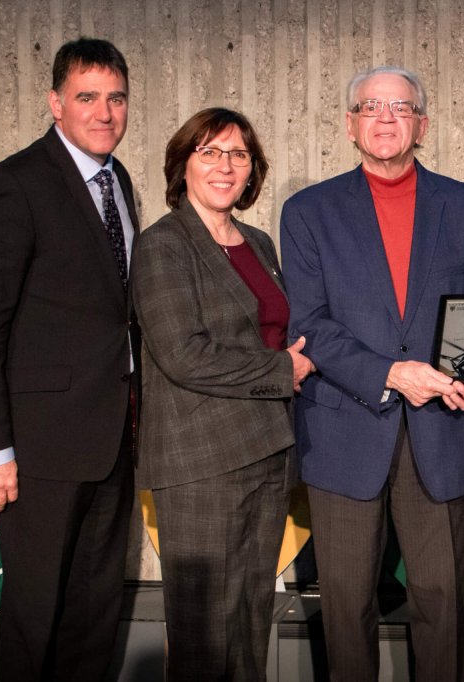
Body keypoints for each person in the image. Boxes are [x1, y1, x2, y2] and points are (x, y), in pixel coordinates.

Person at [280, 65, 464, 682]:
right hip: (343, 430)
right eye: (370, 107)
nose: (384, 118)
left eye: (399, 108)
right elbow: (310, 324)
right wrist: (392, 373)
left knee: (442, 602)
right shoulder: (307, 211)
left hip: (442, 428)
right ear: (350, 125)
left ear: (422, 125)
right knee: (348, 606)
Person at [0, 38, 137, 681]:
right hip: (35, 453)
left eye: (116, 98)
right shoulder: (12, 186)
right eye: (88, 97)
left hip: (113, 441)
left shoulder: (119, 182)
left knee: (94, 615)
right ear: (56, 103)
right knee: (36, 619)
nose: (104, 112)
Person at [130, 107, 313, 681]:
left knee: (249, 619)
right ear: (183, 165)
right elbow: (185, 356)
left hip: (267, 449)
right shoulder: (163, 245)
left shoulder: (257, 241)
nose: (225, 166)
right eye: (209, 152)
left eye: (238, 154)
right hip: (202, 459)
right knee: (203, 633)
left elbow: (274, 328)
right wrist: (284, 370)